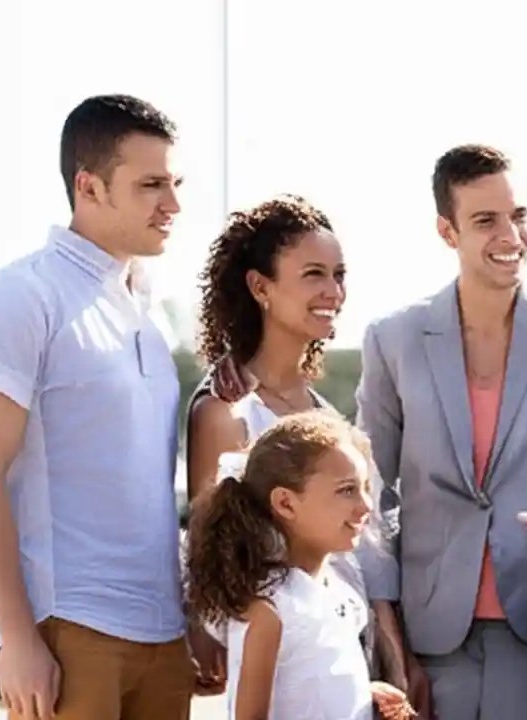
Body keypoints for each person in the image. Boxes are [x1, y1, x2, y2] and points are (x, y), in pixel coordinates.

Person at [353, 144, 527, 719]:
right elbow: (368, 494)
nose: (510, 235)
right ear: (446, 230)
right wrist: (387, 633)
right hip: (429, 628)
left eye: (519, 216)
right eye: (486, 220)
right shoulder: (394, 338)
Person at [0, 94, 196, 719]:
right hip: (70, 629)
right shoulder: (24, 296)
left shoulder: (151, 313)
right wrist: (16, 638)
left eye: (175, 182)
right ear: (89, 186)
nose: (173, 205)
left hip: (163, 634)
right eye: (151, 185)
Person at [185, 195, 407, 698]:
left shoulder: (327, 416)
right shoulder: (226, 411)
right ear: (260, 286)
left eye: (339, 274)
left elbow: (362, 548)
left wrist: (391, 649)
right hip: (289, 672)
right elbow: (212, 556)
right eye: (313, 274)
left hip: (349, 651)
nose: (333, 291)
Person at [185, 411, 415, 720]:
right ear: (286, 503)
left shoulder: (337, 591)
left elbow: (310, 682)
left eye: (364, 488)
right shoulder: (271, 608)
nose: (366, 506)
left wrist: (364, 692)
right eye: (347, 489)